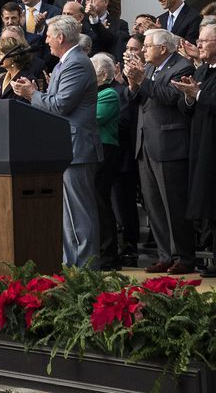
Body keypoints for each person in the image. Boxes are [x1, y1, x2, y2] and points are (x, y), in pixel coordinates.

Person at [11, 16, 103, 267]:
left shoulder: (76, 63)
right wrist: (37, 92)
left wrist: (32, 94)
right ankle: (70, 266)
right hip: (65, 148)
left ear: (61, 37)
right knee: (67, 215)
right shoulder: (66, 62)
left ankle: (85, 269)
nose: (47, 41)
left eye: (49, 36)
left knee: (79, 214)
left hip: (77, 149)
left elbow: (60, 105)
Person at [124, 29, 195, 275]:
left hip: (170, 145)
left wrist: (142, 81)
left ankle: (184, 256)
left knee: (173, 204)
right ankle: (165, 255)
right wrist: (133, 84)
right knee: (154, 205)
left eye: (147, 46)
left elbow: (171, 97)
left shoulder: (182, 66)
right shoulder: (151, 69)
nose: (143, 50)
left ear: (163, 49)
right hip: (145, 144)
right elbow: (136, 101)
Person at [172, 23, 216, 278]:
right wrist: (190, 97)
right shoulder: (202, 70)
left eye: (204, 41)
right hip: (202, 145)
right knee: (210, 205)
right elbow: (188, 110)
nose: (199, 44)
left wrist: (199, 93)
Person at [90, 53, 122, 270]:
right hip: (92, 150)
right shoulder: (93, 93)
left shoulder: (109, 93)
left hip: (105, 149)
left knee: (101, 201)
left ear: (101, 74)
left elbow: (95, 117)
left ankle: (109, 255)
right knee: (93, 201)